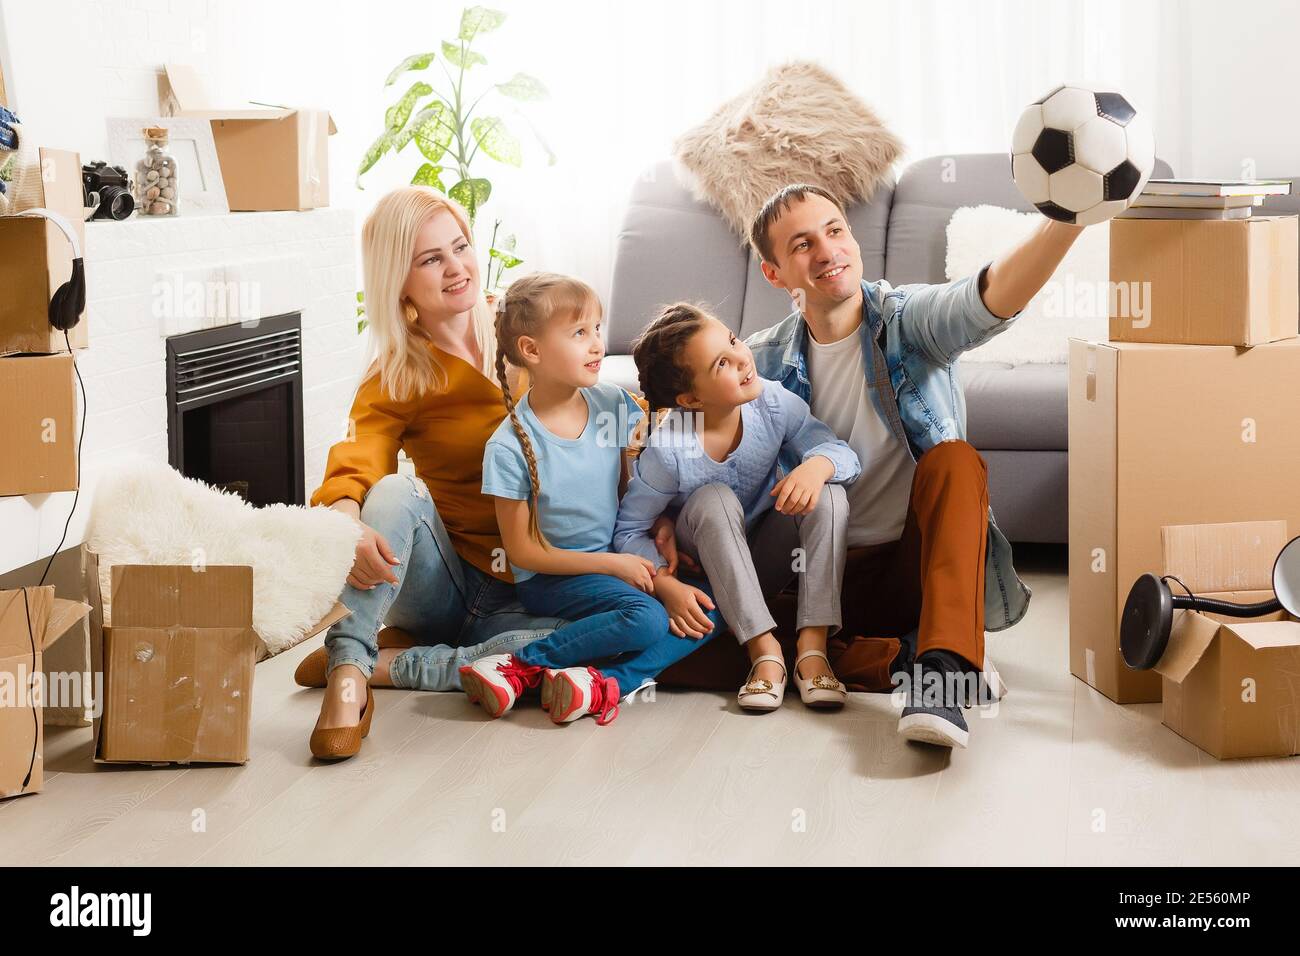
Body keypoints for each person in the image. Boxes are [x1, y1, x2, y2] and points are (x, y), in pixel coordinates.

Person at [301, 189, 677, 760]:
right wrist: (345, 520)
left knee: (629, 631)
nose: (456, 268)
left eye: (461, 247)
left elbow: (614, 417)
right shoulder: (398, 374)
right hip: (453, 583)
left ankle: (405, 662)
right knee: (396, 490)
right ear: (397, 280)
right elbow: (358, 457)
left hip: (545, 581)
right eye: (431, 259)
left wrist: (659, 512)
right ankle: (349, 665)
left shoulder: (521, 326)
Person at [459, 273, 724, 725]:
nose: (597, 344)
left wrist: (656, 525)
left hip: (615, 559)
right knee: (646, 620)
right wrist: (613, 565)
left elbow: (629, 492)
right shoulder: (507, 447)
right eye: (580, 333)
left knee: (708, 604)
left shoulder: (615, 405)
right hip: (553, 577)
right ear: (532, 350)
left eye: (597, 329)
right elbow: (523, 553)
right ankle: (517, 665)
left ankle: (603, 685)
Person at [614, 302, 859, 711]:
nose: (743, 360)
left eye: (733, 341)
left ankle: (812, 647)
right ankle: (764, 653)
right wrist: (661, 579)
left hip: (766, 557)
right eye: (721, 364)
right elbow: (628, 531)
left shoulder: (774, 403)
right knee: (713, 497)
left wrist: (817, 465)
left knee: (829, 488)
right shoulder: (669, 449)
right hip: (713, 574)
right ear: (691, 398)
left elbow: (840, 452)